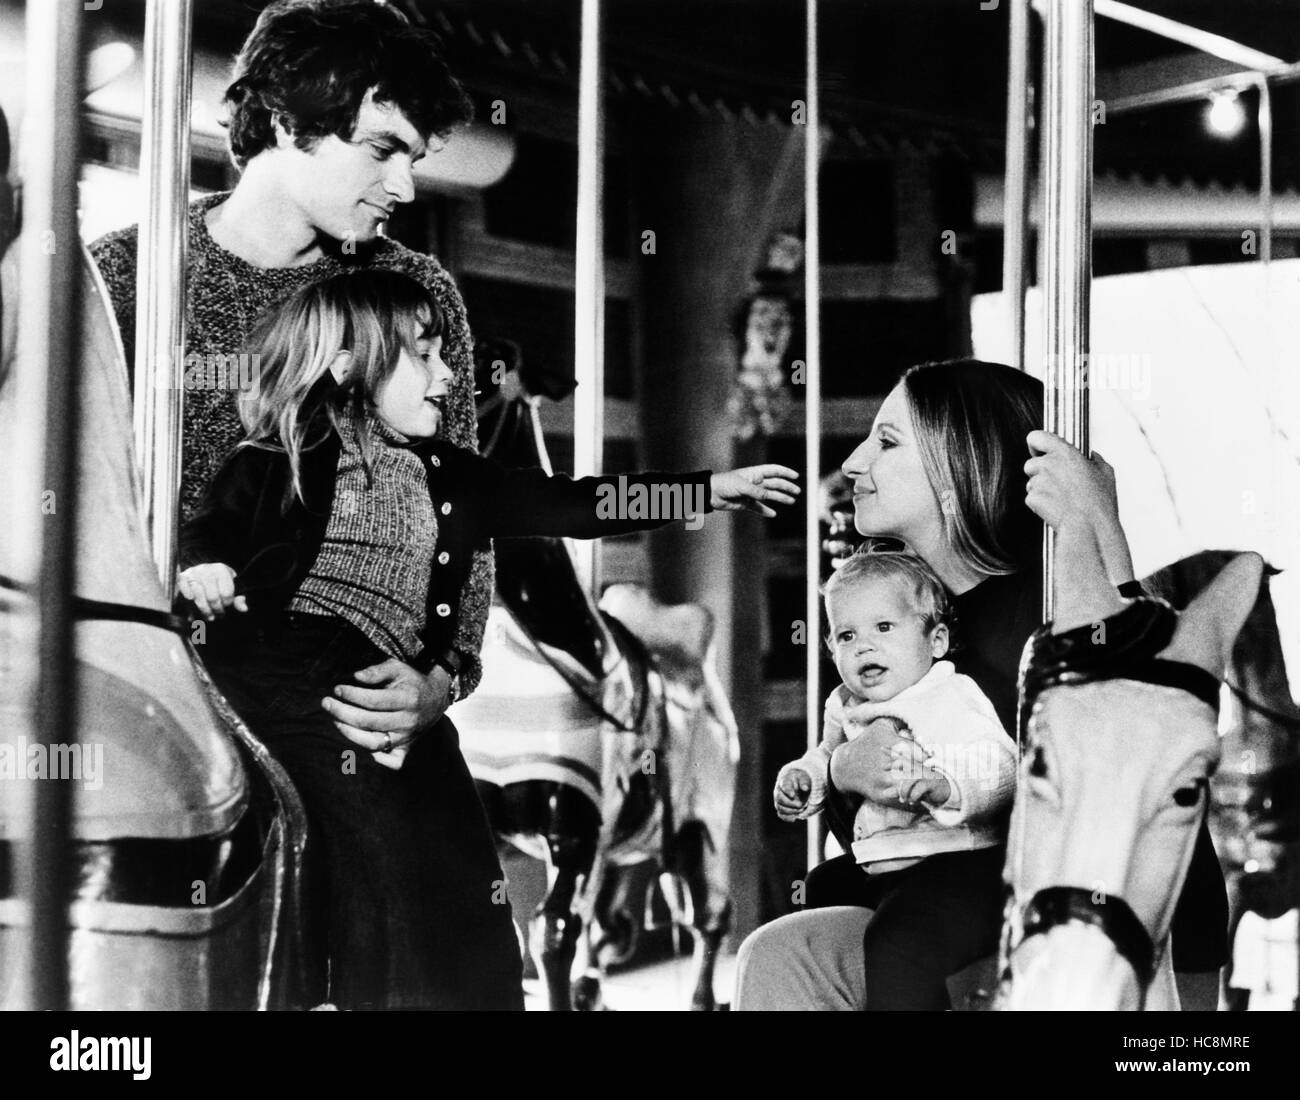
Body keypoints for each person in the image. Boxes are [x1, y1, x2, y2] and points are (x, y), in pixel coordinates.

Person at [177, 269, 800, 1009]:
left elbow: (576, 501)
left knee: (472, 881)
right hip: (289, 676)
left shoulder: (452, 477)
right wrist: (202, 568)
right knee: (383, 857)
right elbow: (209, 531)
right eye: (425, 354)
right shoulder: (274, 463)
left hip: (389, 686)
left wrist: (704, 491)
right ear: (346, 364)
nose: (448, 375)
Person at [734, 358, 1228, 1011]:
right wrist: (846, 771)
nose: (854, 463)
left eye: (886, 442)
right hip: (968, 903)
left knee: (900, 939)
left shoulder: (1046, 598)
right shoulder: (911, 620)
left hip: (1114, 924)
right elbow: (892, 829)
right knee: (780, 951)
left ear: (960, 466)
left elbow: (1145, 724)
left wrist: (1099, 527)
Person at [89, 0, 485, 761]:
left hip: (339, 692)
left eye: (415, 159)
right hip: (147, 688)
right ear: (281, 122)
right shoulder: (120, 278)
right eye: (380, 150)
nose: (403, 187)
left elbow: (456, 499)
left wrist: (442, 671)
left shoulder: (411, 290)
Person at [771, 547, 1016, 1007]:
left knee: (900, 937)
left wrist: (946, 785)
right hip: (884, 863)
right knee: (821, 887)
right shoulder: (845, 704)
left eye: (884, 628)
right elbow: (825, 756)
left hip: (954, 861)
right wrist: (806, 778)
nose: (864, 645)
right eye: (846, 635)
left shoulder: (948, 694)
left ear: (937, 640)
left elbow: (999, 763)